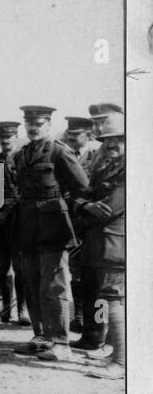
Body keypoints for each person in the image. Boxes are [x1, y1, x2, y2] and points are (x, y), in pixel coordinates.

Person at [10, 105, 89, 362]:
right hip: (28, 225)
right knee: (32, 282)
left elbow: (82, 188)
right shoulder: (22, 154)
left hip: (54, 225)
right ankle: (41, 336)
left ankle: (61, 342)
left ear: (48, 124)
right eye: (29, 123)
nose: (33, 127)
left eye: (38, 123)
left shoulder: (58, 150)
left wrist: (73, 218)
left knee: (55, 286)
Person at [74, 112, 125, 379]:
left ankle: (121, 362)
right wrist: (86, 205)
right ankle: (114, 349)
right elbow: (83, 196)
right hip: (100, 243)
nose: (113, 144)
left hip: (117, 243)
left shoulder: (133, 166)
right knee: (106, 297)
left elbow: (109, 208)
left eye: (119, 138)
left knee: (114, 299)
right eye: (108, 139)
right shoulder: (105, 166)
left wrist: (87, 206)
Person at [64, 115, 105, 345]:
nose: (72, 139)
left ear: (87, 134)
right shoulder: (69, 153)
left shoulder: (98, 154)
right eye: (69, 135)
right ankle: (85, 327)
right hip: (76, 222)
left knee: (101, 284)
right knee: (80, 277)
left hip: (96, 225)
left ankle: (101, 332)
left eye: (76, 135)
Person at [0, 120, 24, 324]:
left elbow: (26, 190)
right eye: (2, 137)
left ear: (16, 136)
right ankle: (6, 310)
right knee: (2, 268)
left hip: (19, 220)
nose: (5, 140)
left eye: (9, 136)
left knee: (21, 267)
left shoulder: (23, 158)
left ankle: (23, 310)